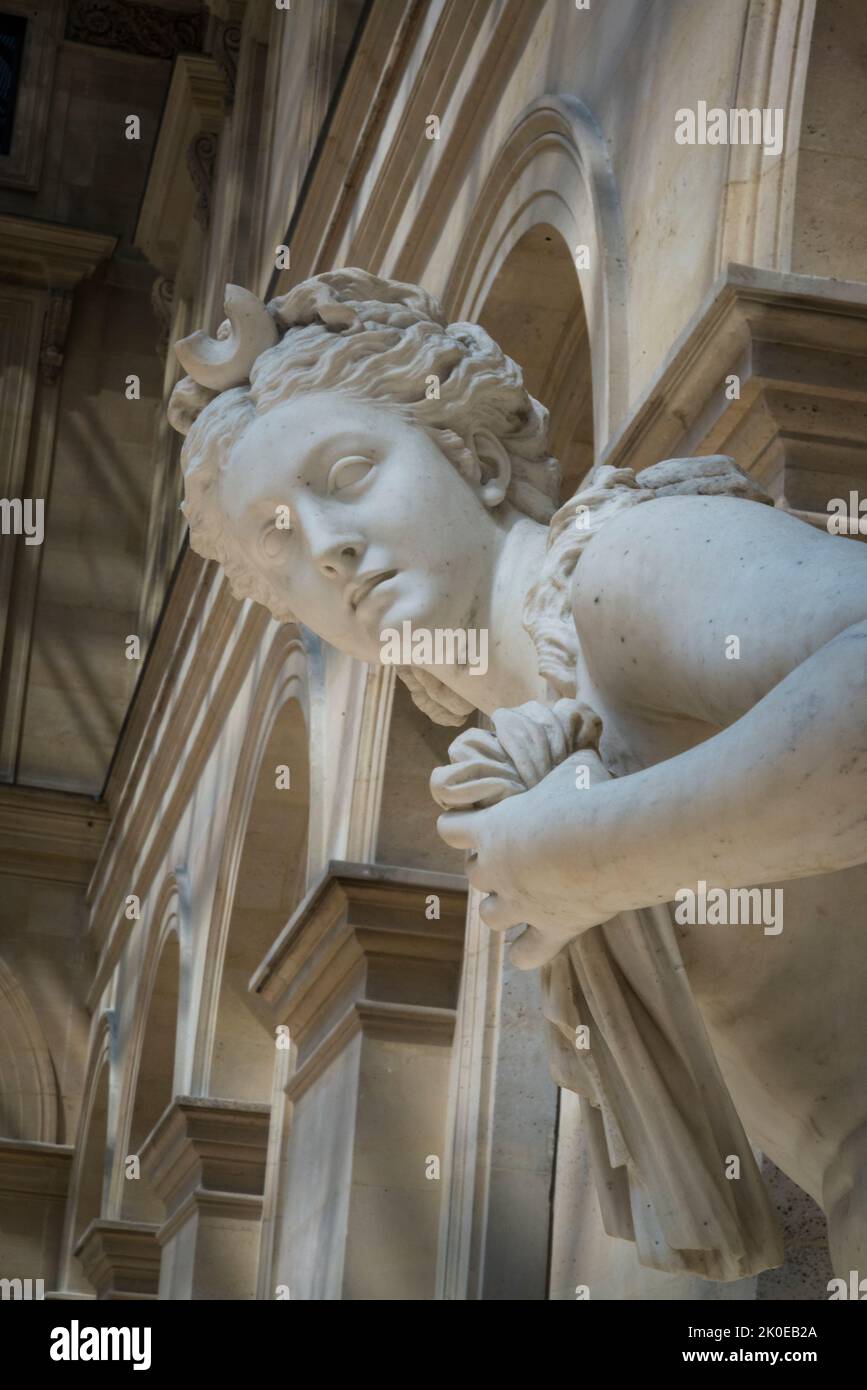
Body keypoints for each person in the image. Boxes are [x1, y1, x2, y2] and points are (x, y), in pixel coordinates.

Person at [169, 268, 867, 1282]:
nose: (326, 548)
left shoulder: (619, 569)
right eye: (279, 545)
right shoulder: (522, 753)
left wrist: (593, 853)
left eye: (350, 471)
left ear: (472, 455)